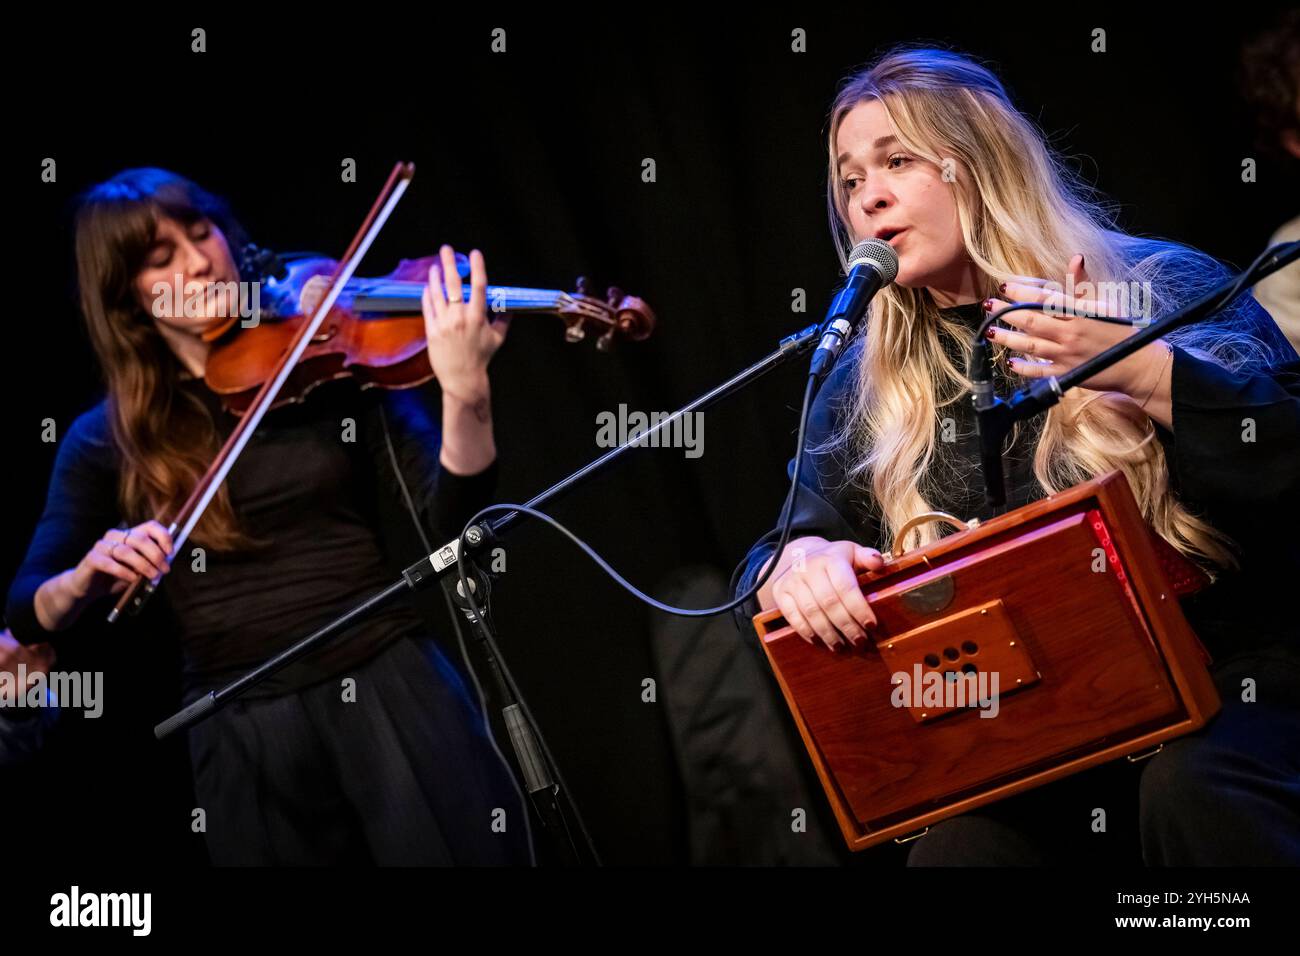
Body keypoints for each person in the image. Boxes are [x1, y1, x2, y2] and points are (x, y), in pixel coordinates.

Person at [734, 47, 1300, 866]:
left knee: (1190, 784)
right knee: (958, 852)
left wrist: (1143, 372)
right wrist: (798, 559)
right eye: (850, 180)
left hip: (1230, 688)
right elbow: (785, 538)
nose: (870, 198)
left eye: (898, 160)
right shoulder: (864, 381)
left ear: (982, 165)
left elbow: (1283, 454)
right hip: (1038, 728)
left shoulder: (1158, 288)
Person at [5, 168, 532, 865]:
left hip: (388, 684)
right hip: (243, 729)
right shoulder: (106, 439)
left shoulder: (324, 355)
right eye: (161, 260)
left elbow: (456, 528)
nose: (199, 261)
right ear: (127, 297)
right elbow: (27, 606)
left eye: (203, 233)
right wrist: (82, 579)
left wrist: (466, 391)